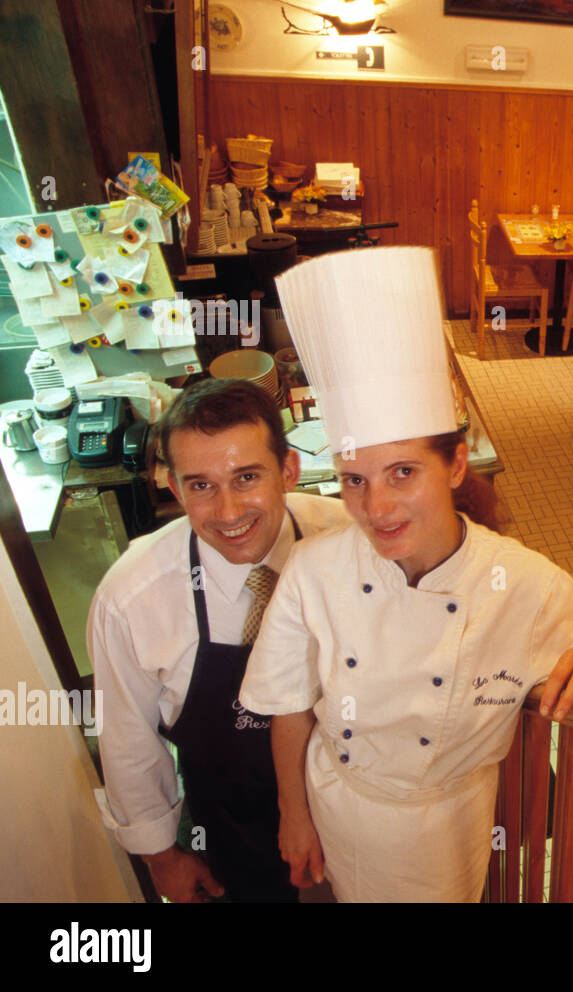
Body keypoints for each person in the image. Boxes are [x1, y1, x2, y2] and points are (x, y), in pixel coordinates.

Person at [238, 247, 573, 902]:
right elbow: (288, 707)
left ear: (453, 466)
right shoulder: (313, 570)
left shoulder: (531, 585)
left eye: (403, 473)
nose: (376, 508)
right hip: (342, 803)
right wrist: (295, 815)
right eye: (355, 481)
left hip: (451, 822)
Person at [90, 378, 353, 903]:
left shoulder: (347, 539)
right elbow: (128, 741)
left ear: (289, 470)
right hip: (233, 830)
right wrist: (162, 857)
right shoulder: (131, 597)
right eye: (201, 486)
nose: (229, 512)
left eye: (247, 477)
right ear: (174, 487)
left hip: (357, 809)